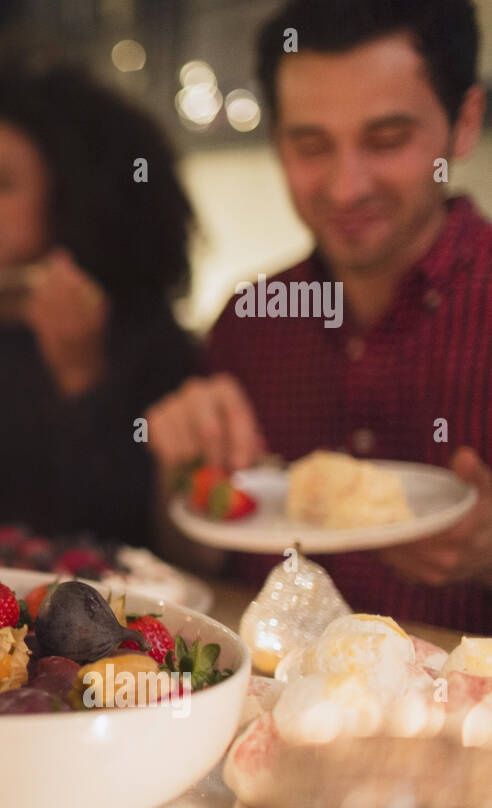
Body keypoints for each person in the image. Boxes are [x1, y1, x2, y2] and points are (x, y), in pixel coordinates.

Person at [145, 0, 492, 631]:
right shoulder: (251, 321)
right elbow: (196, 558)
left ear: (464, 123)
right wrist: (183, 479)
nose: (345, 187)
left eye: (386, 140)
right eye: (311, 146)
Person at [0, 62, 198, 545]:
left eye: (2, 184)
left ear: (74, 195)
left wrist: (82, 378)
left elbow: (127, 533)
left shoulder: (149, 344)